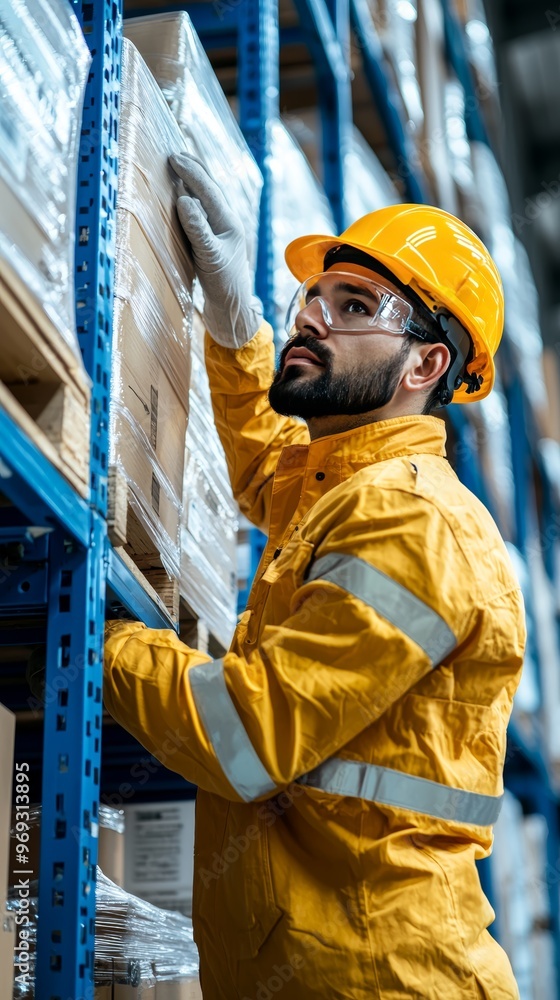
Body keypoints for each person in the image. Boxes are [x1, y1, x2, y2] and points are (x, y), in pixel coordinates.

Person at [103, 153, 525, 1000]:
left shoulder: (415, 524)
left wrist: (99, 639)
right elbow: (278, 474)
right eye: (316, 299)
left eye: (357, 306)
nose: (315, 319)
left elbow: (245, 734)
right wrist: (236, 329)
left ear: (425, 367)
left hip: (382, 980)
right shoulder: (358, 491)